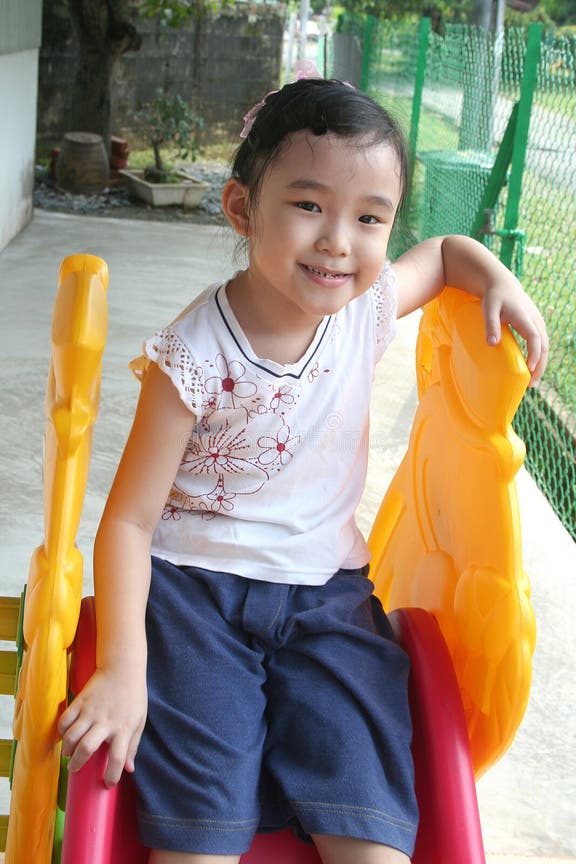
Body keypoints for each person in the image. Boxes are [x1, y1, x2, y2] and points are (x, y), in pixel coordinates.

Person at [58, 77, 548, 864]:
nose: (338, 242)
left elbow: (447, 255)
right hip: (197, 598)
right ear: (242, 209)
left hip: (329, 599)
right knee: (199, 838)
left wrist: (497, 276)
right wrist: (121, 668)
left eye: (369, 217)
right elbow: (127, 522)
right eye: (309, 205)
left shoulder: (365, 310)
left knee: (372, 823)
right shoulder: (193, 356)